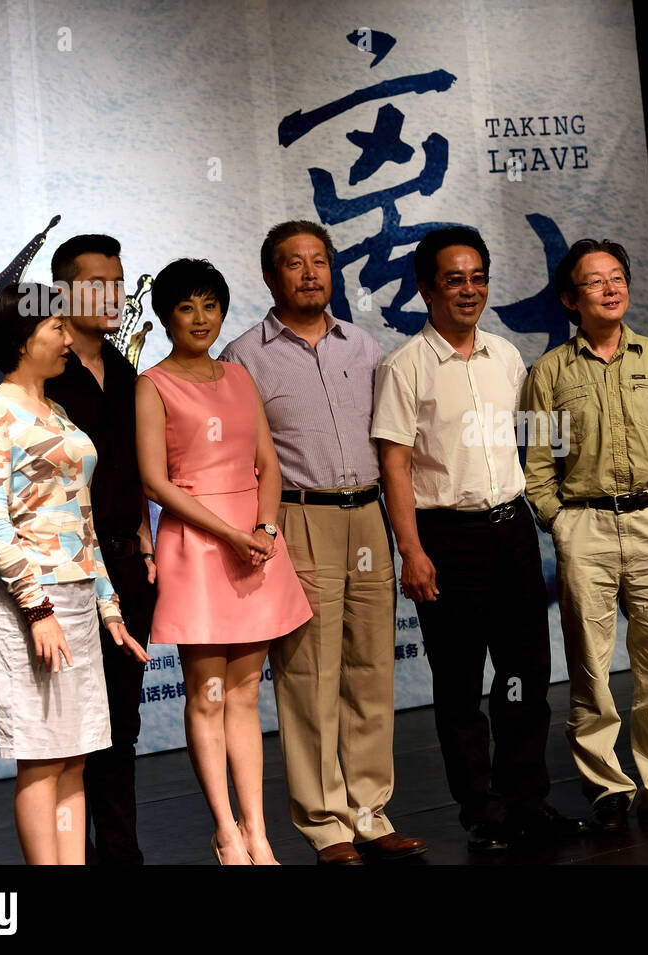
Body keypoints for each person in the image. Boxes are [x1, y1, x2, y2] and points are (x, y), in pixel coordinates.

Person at [374, 227, 586, 852]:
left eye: (477, 278)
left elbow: (529, 440)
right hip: (445, 538)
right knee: (461, 685)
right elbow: (394, 467)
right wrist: (411, 551)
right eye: (453, 280)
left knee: (526, 674)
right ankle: (481, 809)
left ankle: (528, 799)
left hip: (512, 530)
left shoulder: (506, 356)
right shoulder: (403, 366)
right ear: (426, 290)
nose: (469, 290)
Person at [218, 221, 425, 864]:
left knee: (370, 667)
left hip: (367, 516)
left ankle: (370, 809)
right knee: (308, 673)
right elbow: (236, 462)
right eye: (293, 264)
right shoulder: (243, 355)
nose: (310, 273)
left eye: (319, 262)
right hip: (297, 520)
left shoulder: (362, 346)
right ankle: (324, 822)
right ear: (269, 276)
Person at [522, 238, 648, 833]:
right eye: (594, 282)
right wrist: (557, 517)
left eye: (618, 278)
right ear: (568, 298)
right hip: (584, 523)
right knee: (589, 662)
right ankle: (606, 785)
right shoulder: (548, 372)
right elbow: (538, 461)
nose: (611, 289)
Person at [135, 258, 312, 865]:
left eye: (210, 305)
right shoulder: (152, 384)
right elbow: (156, 483)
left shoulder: (238, 376)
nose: (201, 318)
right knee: (207, 694)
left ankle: (258, 830)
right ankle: (224, 830)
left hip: (255, 544)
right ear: (165, 316)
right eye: (187, 307)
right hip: (197, 547)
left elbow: (269, 461)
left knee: (244, 696)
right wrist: (231, 535)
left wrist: (262, 528)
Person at [0, 282, 148, 865]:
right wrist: (37, 609)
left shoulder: (59, 412)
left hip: (78, 603)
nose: (68, 338)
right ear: (23, 338)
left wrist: (110, 608)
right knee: (43, 759)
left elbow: (82, 522)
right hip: (30, 607)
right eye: (55, 329)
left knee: (76, 757)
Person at [45, 234, 157, 863]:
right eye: (97, 284)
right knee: (71, 731)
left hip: (126, 564)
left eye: (118, 283)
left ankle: (123, 855)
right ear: (62, 292)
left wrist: (144, 542)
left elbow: (134, 470)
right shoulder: (41, 375)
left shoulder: (126, 370)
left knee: (122, 725)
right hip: (65, 572)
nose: (112, 296)